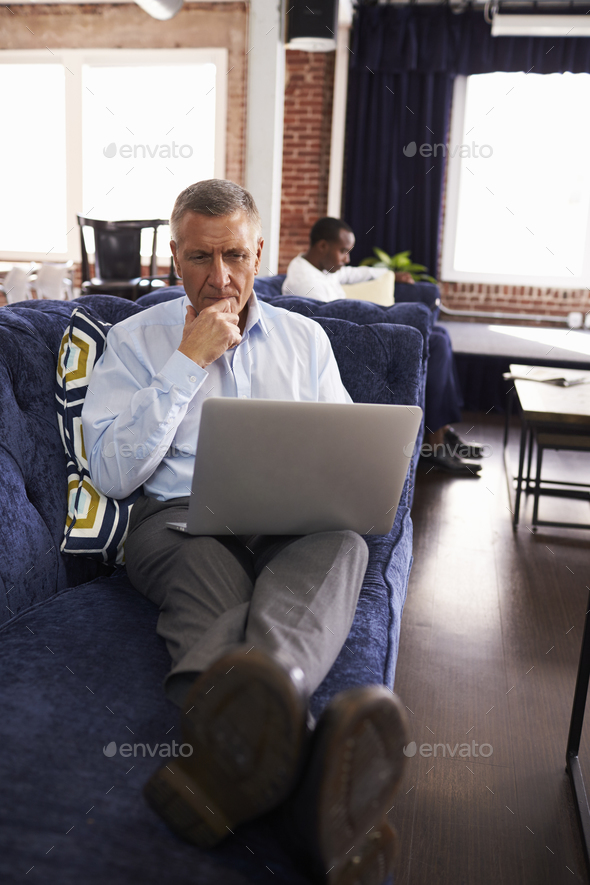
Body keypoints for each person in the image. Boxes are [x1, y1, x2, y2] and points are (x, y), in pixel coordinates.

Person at [81, 180, 408, 884]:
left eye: (234, 255)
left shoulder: (306, 339)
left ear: (259, 253)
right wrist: (187, 362)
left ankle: (224, 765)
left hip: (294, 521)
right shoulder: (134, 340)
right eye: (200, 257)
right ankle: (309, 779)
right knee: (207, 579)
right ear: (175, 257)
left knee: (344, 544)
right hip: (180, 523)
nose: (220, 277)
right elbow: (111, 473)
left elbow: (347, 454)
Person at [283, 218, 485, 476]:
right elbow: (333, 322)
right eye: (343, 251)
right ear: (323, 246)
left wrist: (390, 275)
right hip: (348, 347)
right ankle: (436, 443)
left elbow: (352, 273)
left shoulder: (321, 267)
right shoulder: (305, 282)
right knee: (435, 341)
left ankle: (442, 431)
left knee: (441, 336)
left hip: (355, 333)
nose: (346, 259)